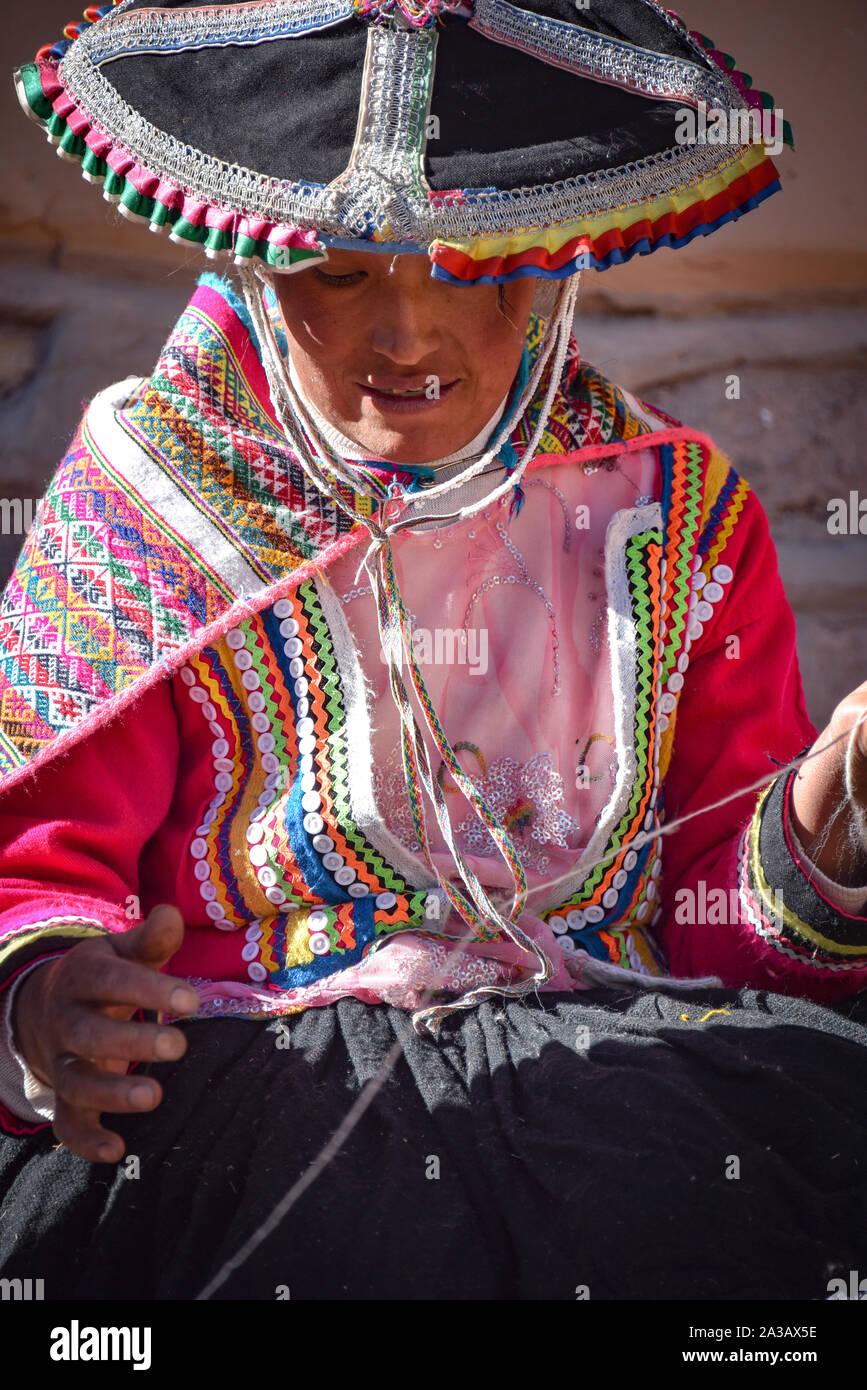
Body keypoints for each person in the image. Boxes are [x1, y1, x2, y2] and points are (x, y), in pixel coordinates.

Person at [0, 0, 865, 1300]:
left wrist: (839, 800)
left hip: (625, 1103)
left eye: (472, 263)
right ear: (251, 253)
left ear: (558, 256)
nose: (406, 335)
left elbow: (713, 931)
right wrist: (51, 1006)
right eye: (340, 271)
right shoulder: (150, 507)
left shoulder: (672, 515)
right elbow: (31, 873)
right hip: (244, 1107)